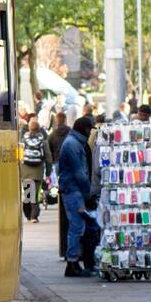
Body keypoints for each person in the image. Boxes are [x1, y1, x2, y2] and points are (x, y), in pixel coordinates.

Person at [57, 115, 98, 278]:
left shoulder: (74, 142)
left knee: (79, 226)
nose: (90, 133)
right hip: (74, 191)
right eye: (89, 129)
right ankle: (72, 263)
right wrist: (88, 194)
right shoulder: (73, 144)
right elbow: (79, 173)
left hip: (74, 190)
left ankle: (74, 262)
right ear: (84, 129)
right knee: (77, 226)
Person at [20, 117, 48, 222]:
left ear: (29, 128)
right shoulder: (43, 141)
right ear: (39, 129)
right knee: (34, 194)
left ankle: (28, 215)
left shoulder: (23, 140)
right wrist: (48, 171)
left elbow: (19, 156)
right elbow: (48, 157)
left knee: (28, 193)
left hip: (25, 171)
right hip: (38, 171)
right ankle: (34, 216)